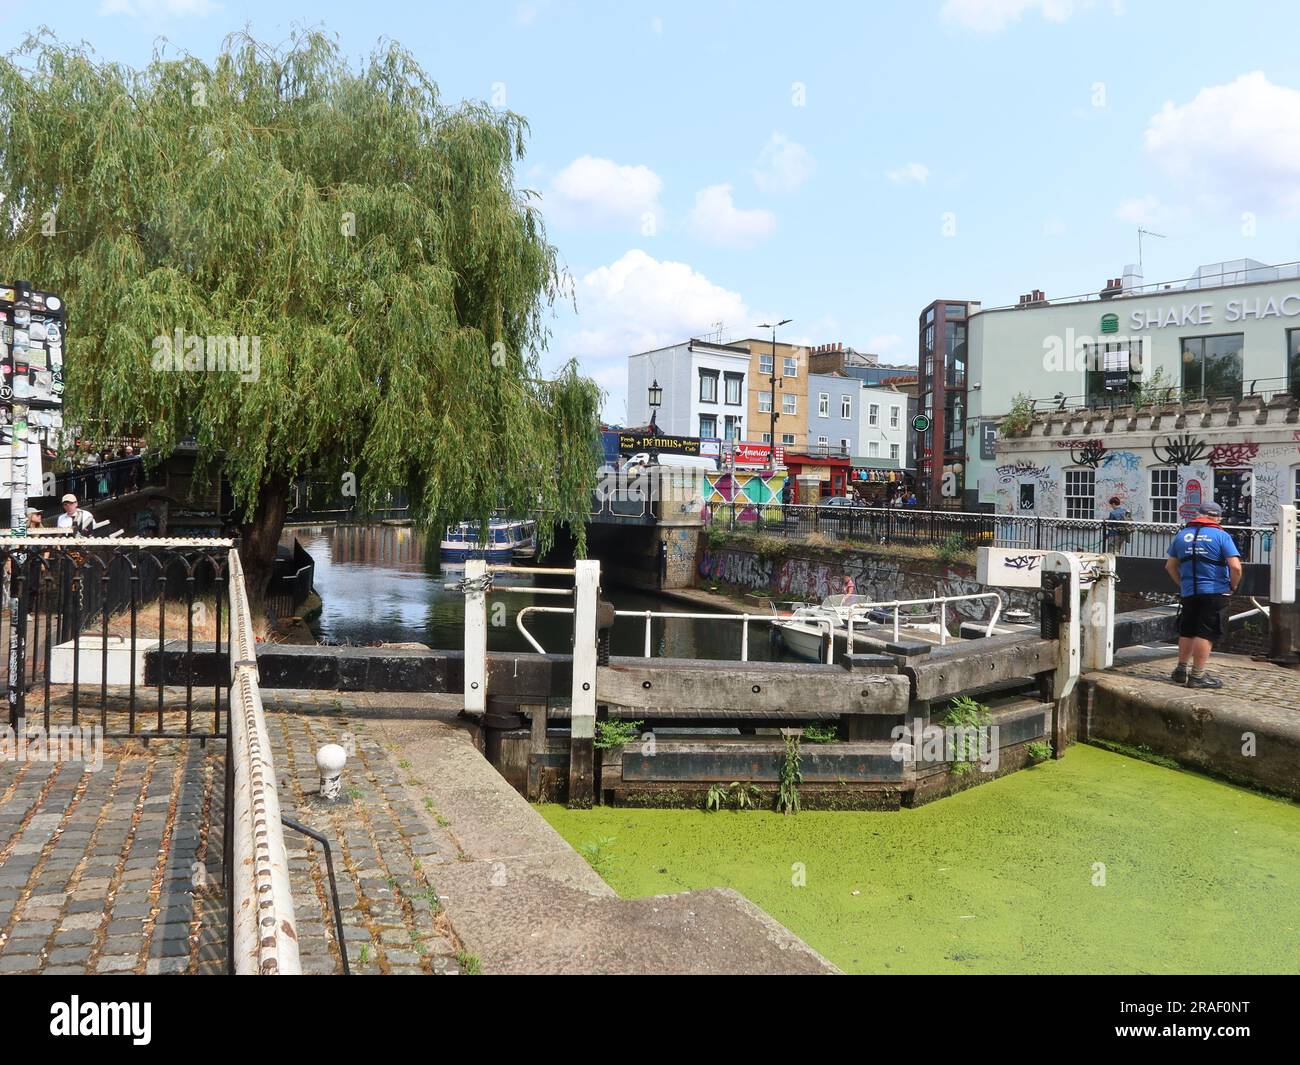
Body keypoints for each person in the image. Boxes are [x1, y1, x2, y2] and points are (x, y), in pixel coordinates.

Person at [1164, 501, 1242, 689]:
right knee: (1205, 633)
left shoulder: (1182, 535)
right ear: (1217, 518)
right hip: (1215, 591)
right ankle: (1197, 676)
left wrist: (1183, 584)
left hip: (1190, 591)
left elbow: (1170, 566)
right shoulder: (1221, 536)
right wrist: (1232, 586)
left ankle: (1181, 670)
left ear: (1198, 515)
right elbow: (1235, 567)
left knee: (1188, 630)